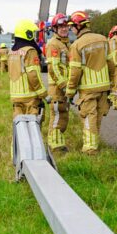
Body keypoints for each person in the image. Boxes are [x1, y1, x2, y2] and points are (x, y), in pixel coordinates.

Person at [66, 11, 114, 155]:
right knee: (97, 117)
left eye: (72, 27)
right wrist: (112, 82)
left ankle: (90, 149)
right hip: (104, 86)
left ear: (79, 26)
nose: (71, 30)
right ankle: (94, 143)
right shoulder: (103, 39)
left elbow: (75, 72)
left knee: (88, 117)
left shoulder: (76, 45)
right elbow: (111, 63)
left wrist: (70, 92)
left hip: (88, 89)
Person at [8, 19, 48, 118]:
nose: (34, 36)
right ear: (27, 34)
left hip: (16, 97)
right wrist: (44, 94)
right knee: (32, 129)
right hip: (29, 97)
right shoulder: (30, 51)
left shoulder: (11, 52)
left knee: (20, 129)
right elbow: (33, 75)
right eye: (32, 33)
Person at [45, 13, 71, 151]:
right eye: (60, 26)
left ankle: (58, 143)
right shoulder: (54, 44)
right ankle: (55, 146)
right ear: (54, 28)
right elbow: (52, 68)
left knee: (63, 116)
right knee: (57, 116)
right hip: (57, 88)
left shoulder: (65, 43)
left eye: (66, 26)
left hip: (64, 87)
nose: (64, 28)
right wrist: (64, 85)